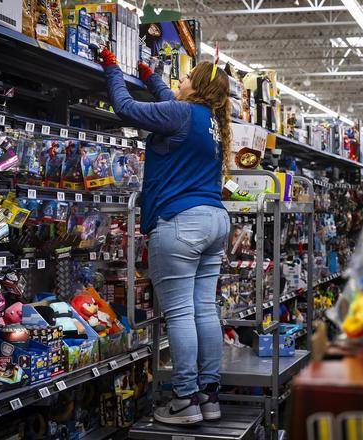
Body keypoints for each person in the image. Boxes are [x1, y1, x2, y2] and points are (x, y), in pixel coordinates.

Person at [99, 48, 231, 425]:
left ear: (197, 86)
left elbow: (125, 108)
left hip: (181, 222)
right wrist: (150, 77)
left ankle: (184, 399)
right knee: (204, 309)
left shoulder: (181, 113)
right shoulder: (210, 121)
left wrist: (113, 69)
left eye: (186, 77)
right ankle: (208, 395)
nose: (180, 81)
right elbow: (169, 103)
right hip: (214, 221)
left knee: (180, 313)